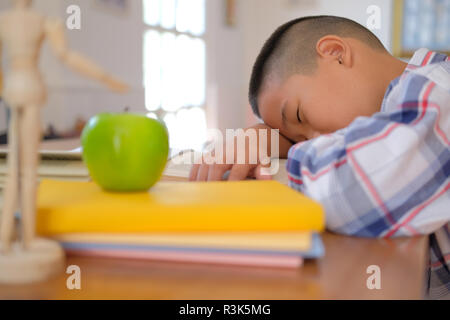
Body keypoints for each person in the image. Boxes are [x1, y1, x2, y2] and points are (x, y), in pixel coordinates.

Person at [189, 16, 450, 299]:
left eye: (299, 116)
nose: (314, 141)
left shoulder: (437, 89)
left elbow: (359, 190)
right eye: (296, 139)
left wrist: (284, 148)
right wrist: (264, 139)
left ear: (335, 53)